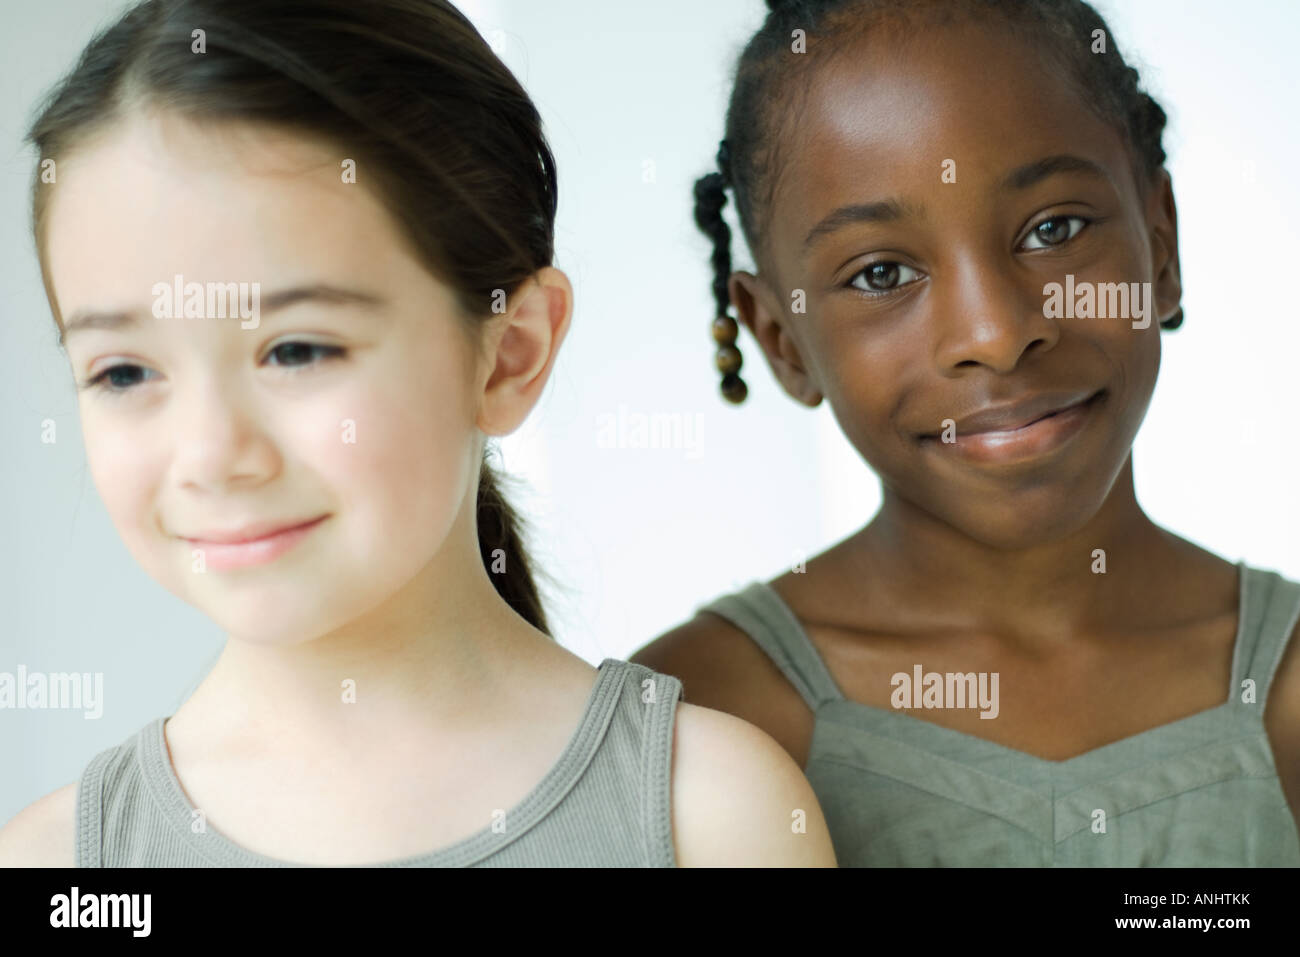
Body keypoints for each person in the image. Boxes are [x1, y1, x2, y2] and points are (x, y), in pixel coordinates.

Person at [0, 0, 835, 868]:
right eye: (124, 372)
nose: (211, 455)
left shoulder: (712, 815)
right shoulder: (55, 866)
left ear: (510, 354)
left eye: (296, 350)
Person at [633, 0, 1300, 866]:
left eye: (1053, 230)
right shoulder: (696, 726)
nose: (993, 331)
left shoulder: (1282, 691)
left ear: (1160, 246)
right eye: (882, 273)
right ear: (781, 339)